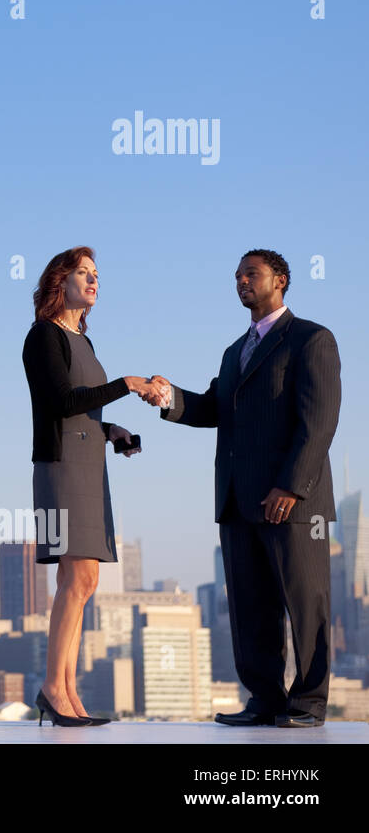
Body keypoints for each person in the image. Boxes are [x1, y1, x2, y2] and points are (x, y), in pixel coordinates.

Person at [150, 250, 340, 728]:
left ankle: (310, 703)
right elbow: (214, 409)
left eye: (250, 273)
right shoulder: (234, 352)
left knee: (305, 603)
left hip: (293, 503)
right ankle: (265, 700)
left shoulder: (311, 340)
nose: (240, 281)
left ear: (279, 280)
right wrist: (168, 395)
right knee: (250, 607)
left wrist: (291, 488)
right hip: (237, 501)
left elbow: (318, 423)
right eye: (236, 275)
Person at [22, 246, 165, 727]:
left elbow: (85, 408)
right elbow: (61, 401)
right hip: (61, 467)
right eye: (84, 272)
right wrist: (127, 383)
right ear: (59, 282)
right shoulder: (43, 336)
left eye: (97, 274)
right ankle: (51, 688)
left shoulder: (83, 339)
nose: (94, 280)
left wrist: (112, 432)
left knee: (83, 582)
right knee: (77, 578)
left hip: (89, 463)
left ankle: (66, 689)